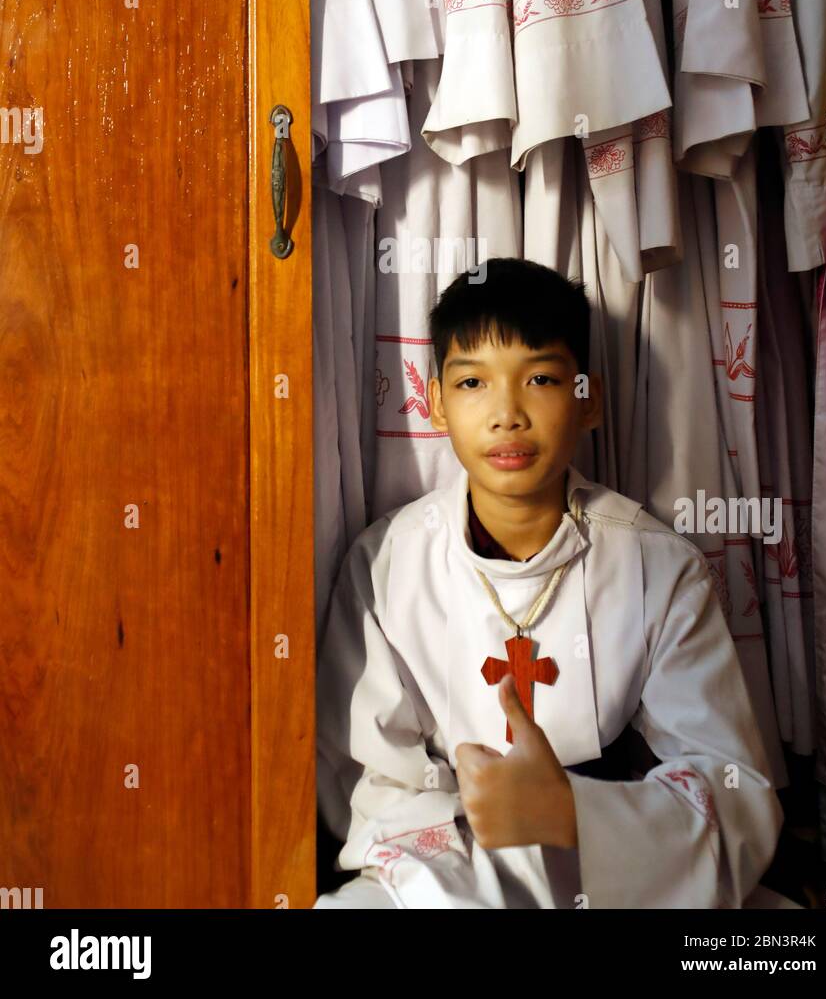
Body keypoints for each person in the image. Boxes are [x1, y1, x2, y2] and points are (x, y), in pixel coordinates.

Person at [314, 257, 785, 909]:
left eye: (540, 377)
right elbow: (367, 780)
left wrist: (574, 816)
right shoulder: (388, 562)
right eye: (473, 381)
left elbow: (733, 794)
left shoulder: (656, 564)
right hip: (447, 871)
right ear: (438, 403)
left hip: (618, 869)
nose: (507, 414)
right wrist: (488, 848)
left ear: (586, 398)